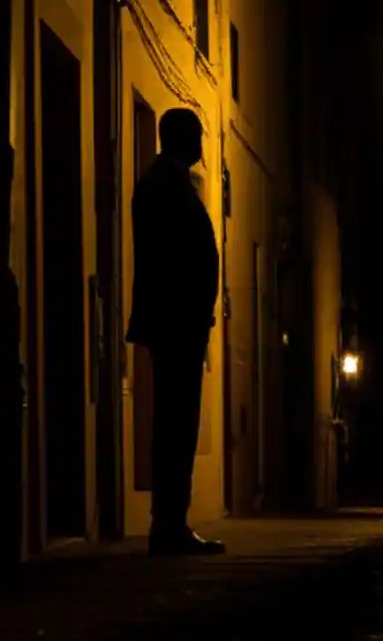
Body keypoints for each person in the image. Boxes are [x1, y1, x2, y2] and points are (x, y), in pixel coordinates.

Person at [127, 108, 224, 556]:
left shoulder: (164, 184)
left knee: (176, 421)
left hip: (178, 320)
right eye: (197, 136)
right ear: (180, 138)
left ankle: (171, 521)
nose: (203, 145)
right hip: (175, 321)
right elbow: (173, 256)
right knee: (176, 422)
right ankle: (169, 524)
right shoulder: (163, 187)